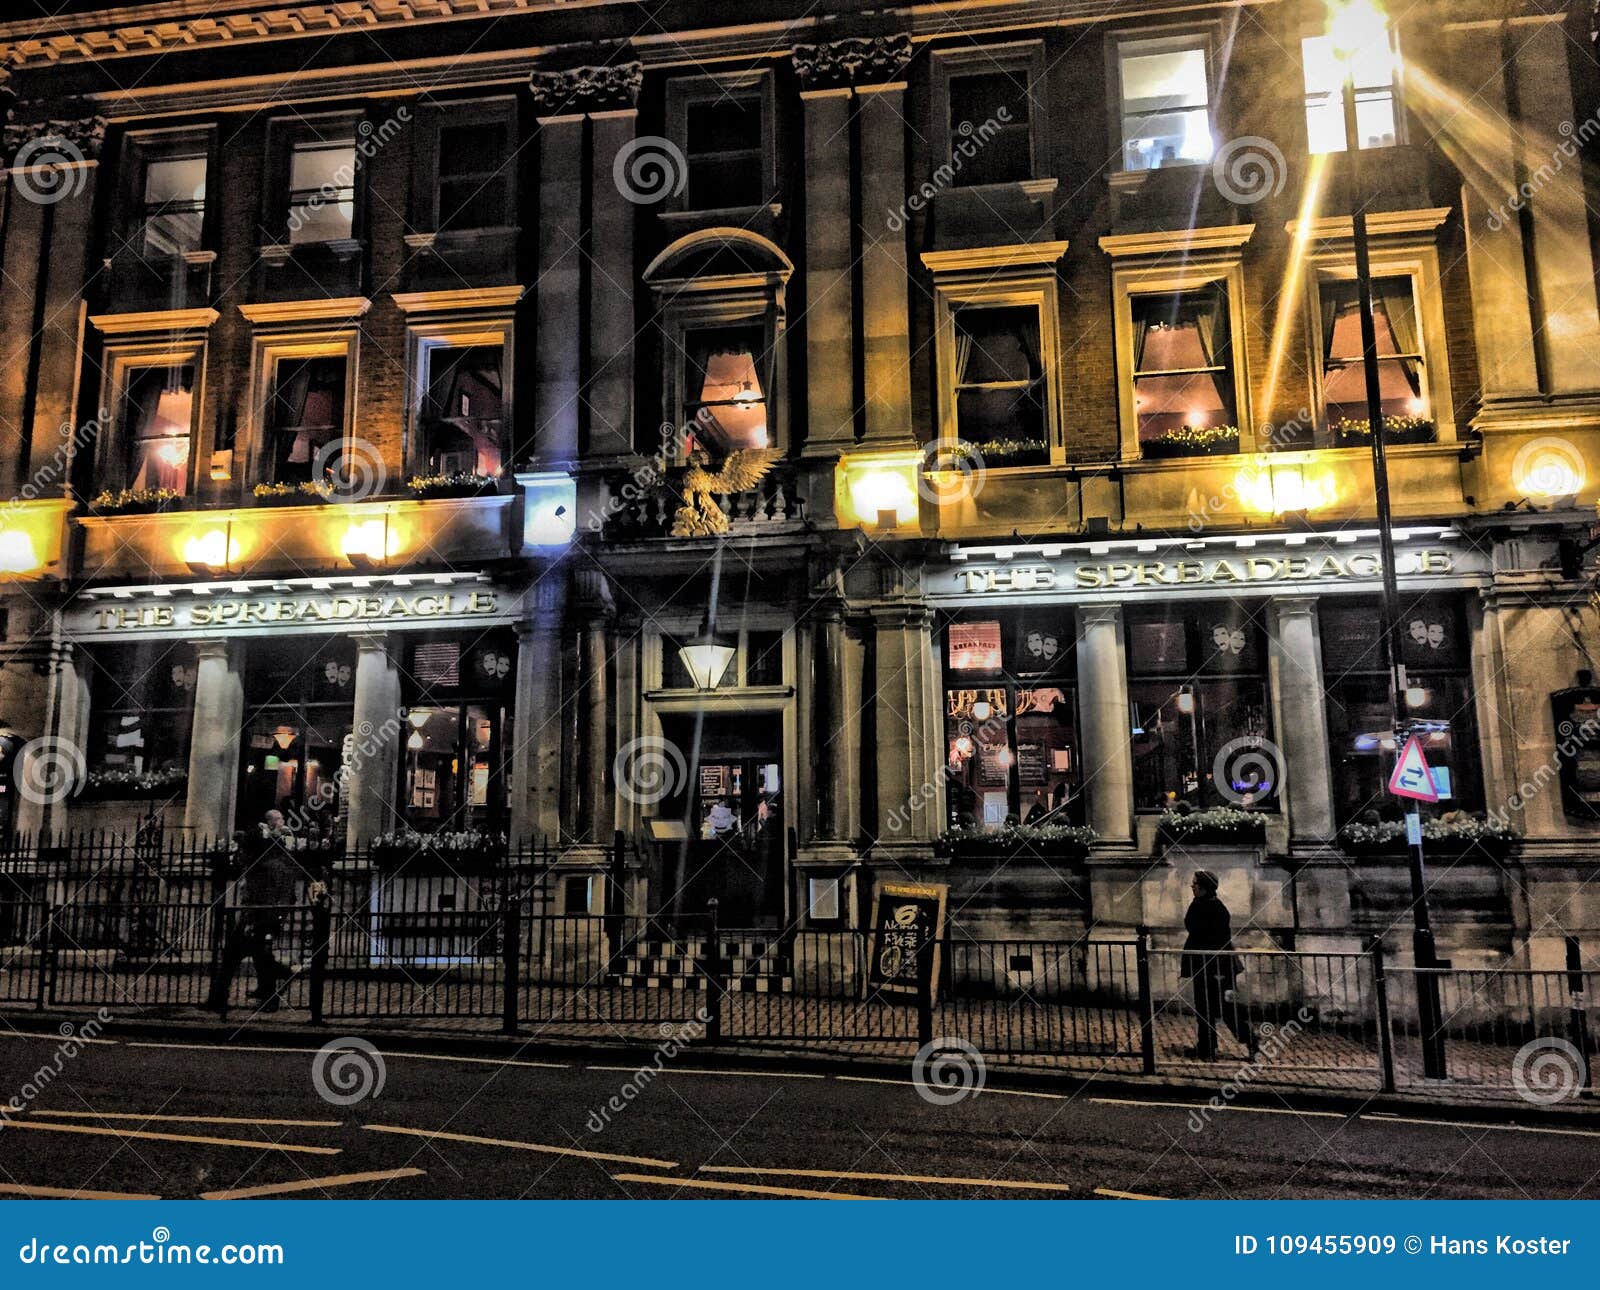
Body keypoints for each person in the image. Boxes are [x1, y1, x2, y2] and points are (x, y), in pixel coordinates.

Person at [205, 810, 315, 1013]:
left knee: (235, 955)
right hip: (262, 913)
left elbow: (263, 887)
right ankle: (265, 992)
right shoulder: (278, 859)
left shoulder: (265, 864)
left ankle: (221, 998)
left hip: (257, 914)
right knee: (257, 955)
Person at [1179, 870, 1255, 1059]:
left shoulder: (1215, 908)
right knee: (1204, 1008)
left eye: (1195, 883)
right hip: (1204, 966)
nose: (1192, 886)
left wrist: (1220, 971)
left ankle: (1251, 1040)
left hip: (1218, 969)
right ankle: (1206, 1046)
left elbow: (1218, 940)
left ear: (1204, 886)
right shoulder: (1199, 904)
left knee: (1227, 1009)